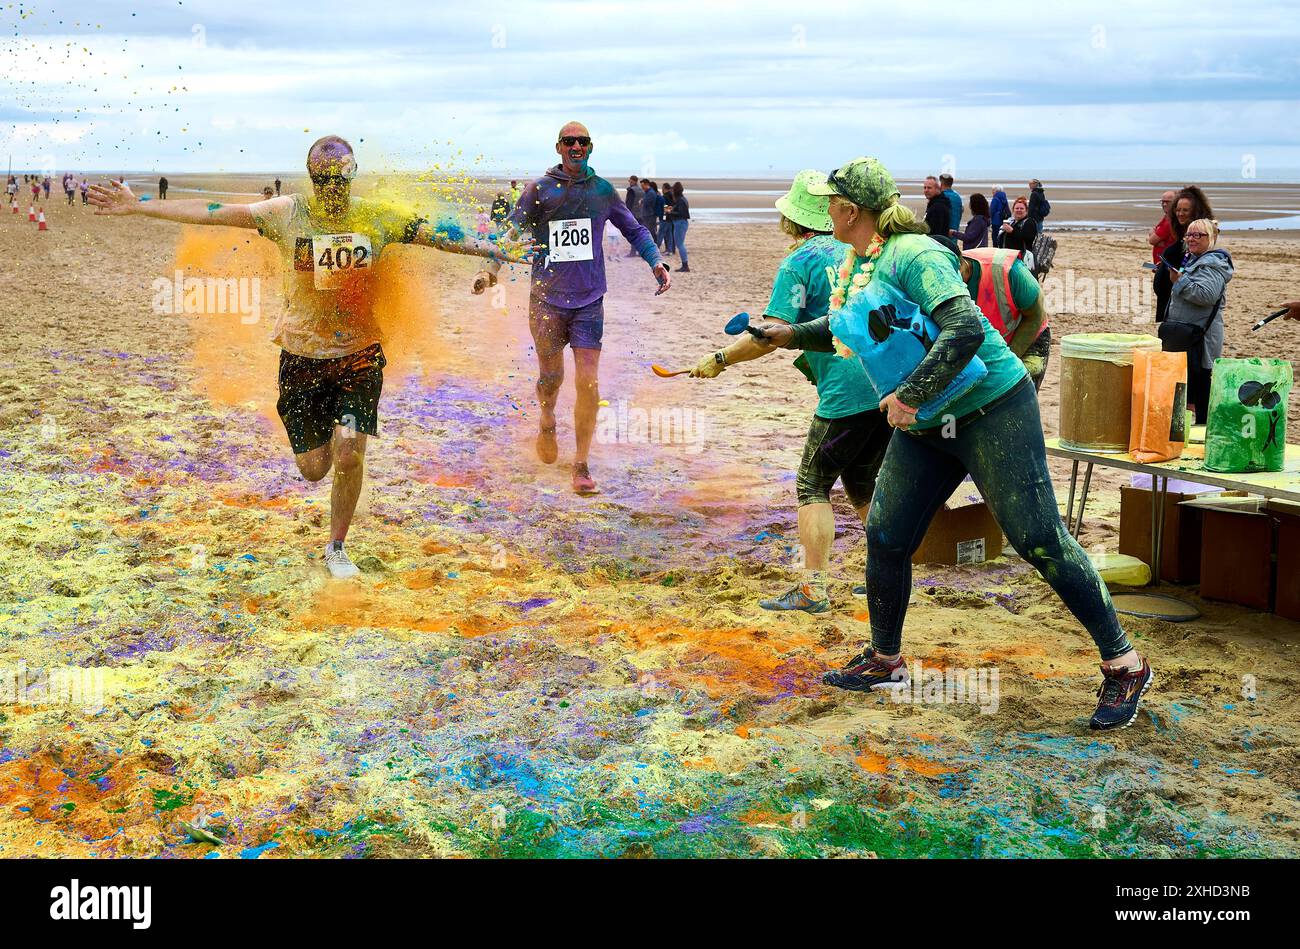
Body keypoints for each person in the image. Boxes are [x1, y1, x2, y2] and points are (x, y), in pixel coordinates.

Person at [757, 156, 1152, 731]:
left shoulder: (912, 255)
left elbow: (965, 327)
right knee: (887, 534)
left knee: (1037, 538)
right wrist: (790, 332)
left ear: (848, 211)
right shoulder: (856, 260)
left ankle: (1124, 663)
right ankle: (885, 658)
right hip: (928, 424)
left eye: (832, 203)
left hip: (990, 406)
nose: (824, 212)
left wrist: (910, 395)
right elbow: (850, 326)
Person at [90, 135, 531, 578]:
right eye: (323, 178)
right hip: (302, 358)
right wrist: (139, 204)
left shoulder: (377, 217)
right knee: (314, 467)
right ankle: (320, 474)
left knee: (349, 453)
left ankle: (337, 548)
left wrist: (494, 251)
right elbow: (216, 213)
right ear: (312, 176)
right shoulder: (286, 213)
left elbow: (439, 238)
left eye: (340, 177)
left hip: (358, 356)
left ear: (352, 174)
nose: (332, 187)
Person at [687, 170, 890, 613]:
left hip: (845, 394)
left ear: (792, 220)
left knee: (812, 483)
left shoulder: (799, 262)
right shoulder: (862, 249)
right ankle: (886, 576)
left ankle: (813, 589)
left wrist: (719, 360)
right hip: (886, 388)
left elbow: (769, 336)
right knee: (860, 484)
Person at [478, 122, 670, 495]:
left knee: (588, 382)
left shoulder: (602, 191)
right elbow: (513, 232)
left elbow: (635, 229)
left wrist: (655, 261)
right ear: (559, 147)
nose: (576, 146)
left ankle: (581, 462)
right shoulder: (540, 189)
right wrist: (490, 270)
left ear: (590, 148)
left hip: (589, 300)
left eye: (582, 141)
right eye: (570, 141)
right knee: (551, 379)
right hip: (546, 300)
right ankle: (547, 418)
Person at [1162, 218, 1232, 424]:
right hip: (1186, 333)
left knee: (1200, 381)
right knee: (1188, 381)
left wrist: (1179, 281)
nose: (1191, 239)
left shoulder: (1212, 264)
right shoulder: (1193, 258)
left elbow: (1206, 296)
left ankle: (1202, 426)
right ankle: (1190, 424)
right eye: (1189, 235)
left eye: (1197, 235)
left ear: (1210, 238)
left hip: (1200, 336)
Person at [957, 245, 1050, 388]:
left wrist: (1007, 360)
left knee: (1018, 390)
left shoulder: (1008, 271)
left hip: (1027, 336)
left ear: (963, 264)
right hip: (986, 343)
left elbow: (1035, 315)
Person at [1154, 186, 1214, 323]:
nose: (1180, 213)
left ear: (1195, 211)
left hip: (1183, 311)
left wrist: (1178, 276)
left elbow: (1193, 267)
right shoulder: (1181, 236)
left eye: (1185, 210)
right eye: (1178, 210)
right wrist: (1163, 268)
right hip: (1168, 306)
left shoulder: (1199, 241)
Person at [999, 195, 1039, 262]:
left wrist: (1012, 231)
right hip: (1009, 257)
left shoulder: (1029, 222)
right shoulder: (1012, 222)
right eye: (1017, 208)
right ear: (1013, 210)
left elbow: (1028, 237)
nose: (1019, 210)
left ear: (1026, 210)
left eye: (1021, 208)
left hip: (1022, 259)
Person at [669, 182, 690, 272]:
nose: (672, 192)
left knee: (680, 244)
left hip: (680, 223)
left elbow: (682, 213)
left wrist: (671, 212)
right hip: (680, 223)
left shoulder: (681, 200)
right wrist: (672, 209)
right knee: (680, 244)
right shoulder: (681, 199)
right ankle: (685, 265)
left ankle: (685, 265)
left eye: (673, 190)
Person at [623, 175, 642, 257]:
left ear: (634, 181)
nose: (629, 182)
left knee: (633, 233)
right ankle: (639, 251)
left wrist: (626, 214)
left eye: (630, 181)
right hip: (641, 214)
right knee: (639, 234)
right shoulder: (641, 190)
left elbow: (629, 204)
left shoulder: (631, 190)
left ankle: (633, 252)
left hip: (633, 214)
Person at [638, 178, 660, 246]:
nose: (642, 188)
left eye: (643, 186)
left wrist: (642, 201)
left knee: (651, 232)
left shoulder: (651, 192)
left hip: (650, 216)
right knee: (649, 231)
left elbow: (646, 203)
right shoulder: (647, 192)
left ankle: (654, 245)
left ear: (647, 184)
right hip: (646, 215)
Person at [659, 181, 676, 254]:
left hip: (666, 217)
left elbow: (665, 208)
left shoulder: (665, 197)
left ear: (665, 188)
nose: (662, 190)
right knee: (669, 234)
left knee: (661, 234)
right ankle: (670, 250)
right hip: (672, 217)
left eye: (662, 188)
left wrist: (664, 218)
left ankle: (656, 249)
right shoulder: (673, 196)